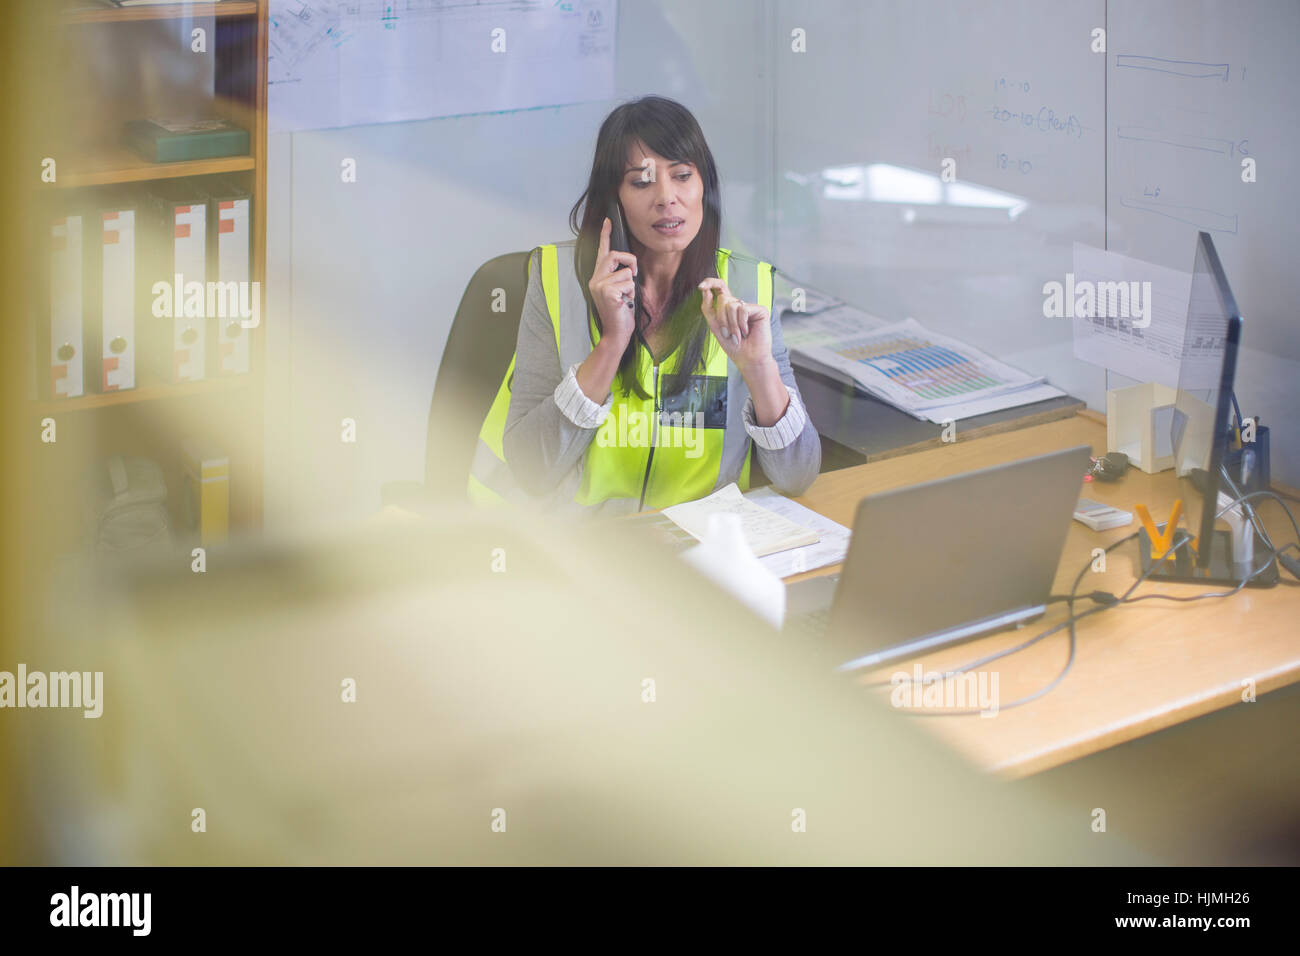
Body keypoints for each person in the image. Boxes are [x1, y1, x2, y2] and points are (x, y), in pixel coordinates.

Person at [469, 96, 820, 513]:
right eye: (641, 181)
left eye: (683, 176)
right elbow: (532, 471)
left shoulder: (748, 287)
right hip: (576, 554)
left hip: (695, 551)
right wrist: (612, 343)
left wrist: (759, 369)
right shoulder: (556, 281)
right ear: (613, 197)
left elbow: (798, 477)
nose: (666, 198)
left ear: (704, 186)